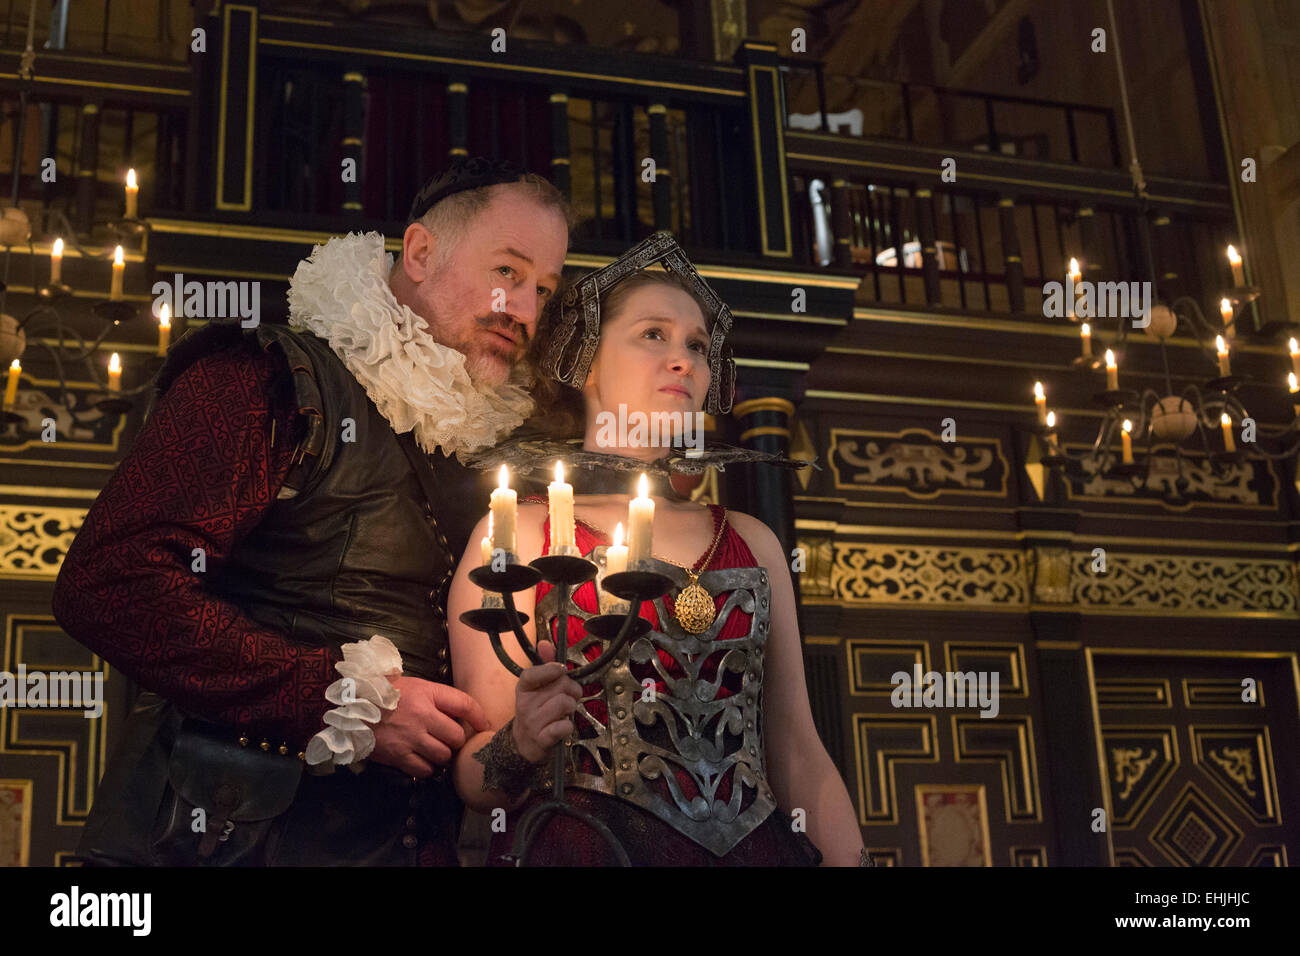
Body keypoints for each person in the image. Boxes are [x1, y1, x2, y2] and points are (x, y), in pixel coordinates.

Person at [50, 156, 570, 865]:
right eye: (507, 271)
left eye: (543, 287)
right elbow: (110, 583)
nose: (527, 310)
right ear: (419, 252)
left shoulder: (491, 459)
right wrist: (326, 695)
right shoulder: (266, 378)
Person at [447, 232, 868, 866]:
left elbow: (799, 753)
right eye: (654, 334)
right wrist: (522, 739)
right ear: (586, 362)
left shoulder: (752, 541)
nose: (685, 361)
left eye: (698, 345)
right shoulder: (520, 534)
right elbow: (477, 782)